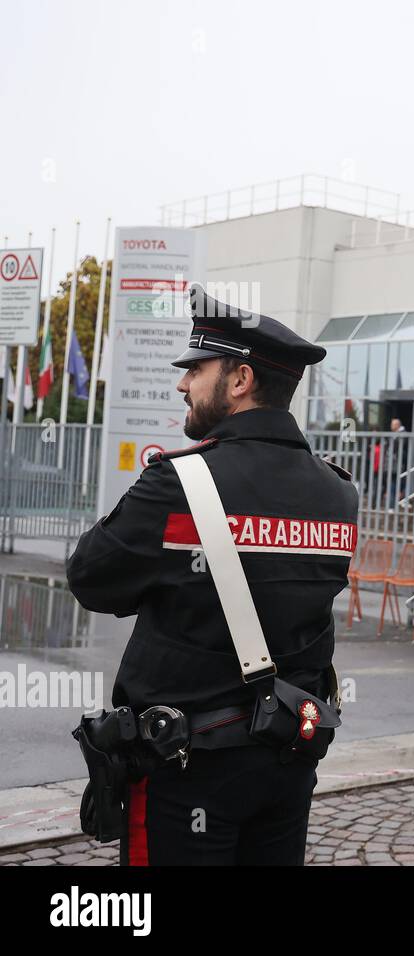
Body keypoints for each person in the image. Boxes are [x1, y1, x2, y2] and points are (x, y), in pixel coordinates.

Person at [66, 285, 359, 866]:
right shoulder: (337, 490)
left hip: (189, 766)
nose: (182, 384)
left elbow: (91, 579)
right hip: (289, 758)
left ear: (240, 379)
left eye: (196, 369)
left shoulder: (181, 482)